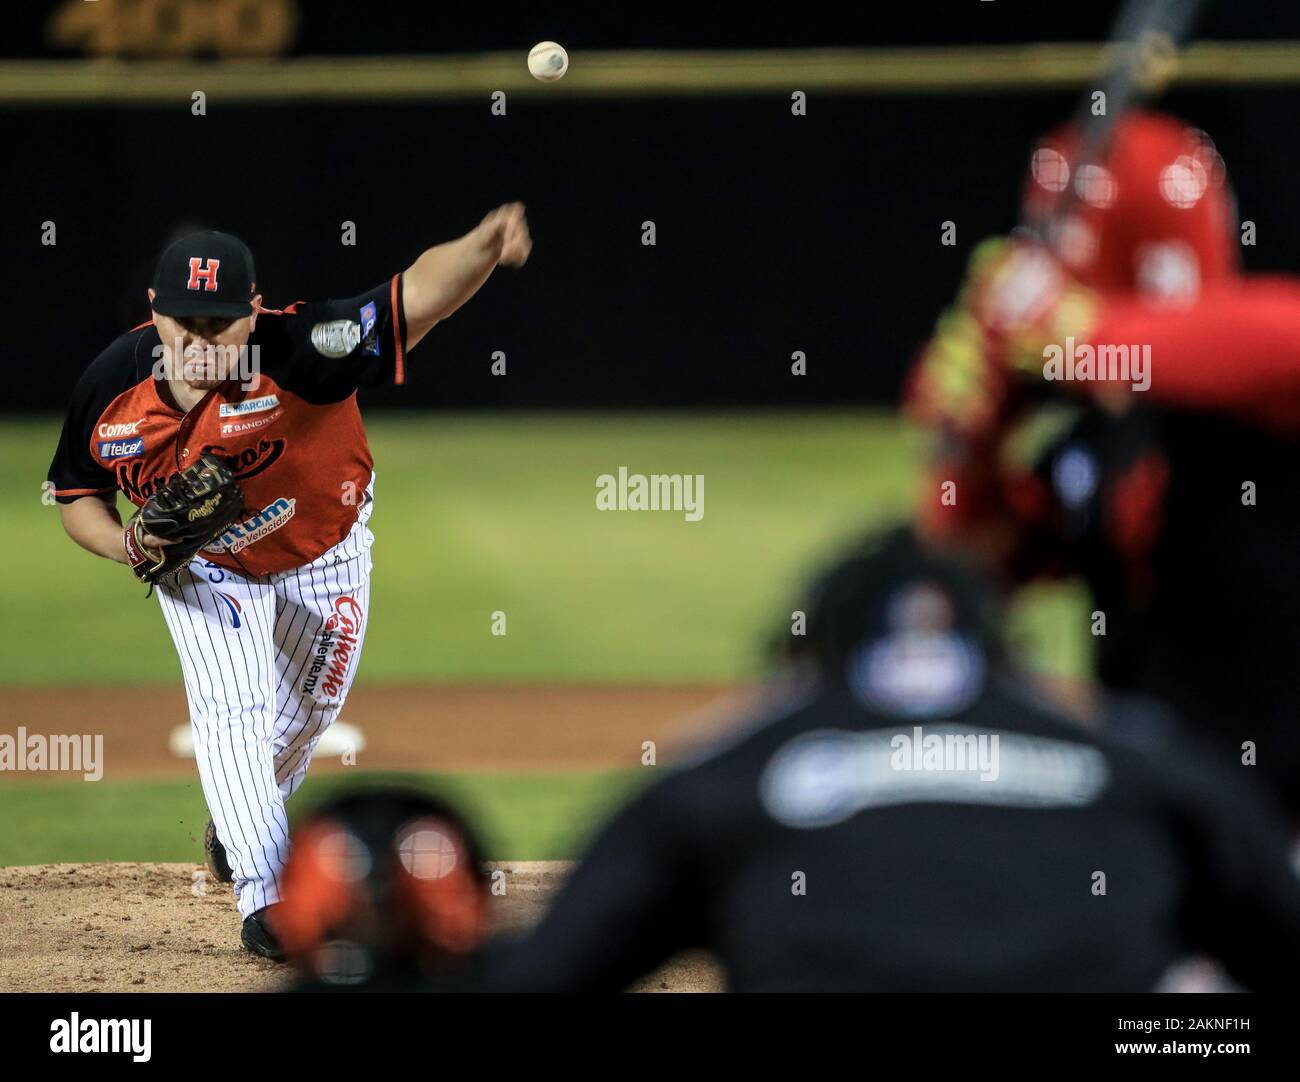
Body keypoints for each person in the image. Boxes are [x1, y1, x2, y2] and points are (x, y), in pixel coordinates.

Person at [475, 530, 1300, 991]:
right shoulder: (1141, 767)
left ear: (805, 665)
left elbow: (535, 981)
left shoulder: (723, 777)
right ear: (1007, 661)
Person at [46, 208, 531, 958]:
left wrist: (482, 247)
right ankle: (266, 894)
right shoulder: (111, 383)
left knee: (308, 716)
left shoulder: (302, 347)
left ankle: (239, 820)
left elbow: (415, 299)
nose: (200, 340)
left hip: (326, 548)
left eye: (218, 322)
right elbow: (77, 494)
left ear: (253, 311)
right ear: (154, 311)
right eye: (183, 322)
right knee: (231, 709)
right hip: (204, 568)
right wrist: (129, 548)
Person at [906, 111, 1300, 815]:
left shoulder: (1260, 384)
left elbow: (1271, 339)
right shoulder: (1095, 446)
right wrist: (976, 431)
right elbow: (965, 569)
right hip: (1176, 812)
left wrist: (1068, 331)